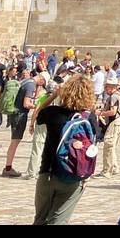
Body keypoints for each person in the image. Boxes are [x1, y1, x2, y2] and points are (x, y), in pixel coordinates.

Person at [32, 73, 96, 226]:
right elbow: (92, 148)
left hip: (48, 172)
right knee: (59, 221)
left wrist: (54, 95)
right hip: (73, 175)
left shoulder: (52, 113)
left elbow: (37, 113)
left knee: (40, 220)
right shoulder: (88, 117)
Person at [96, 75, 120, 177]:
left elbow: (113, 112)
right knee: (112, 146)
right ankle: (115, 167)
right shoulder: (118, 95)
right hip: (118, 123)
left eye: (106, 86)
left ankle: (107, 170)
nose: (105, 88)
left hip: (115, 123)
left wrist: (100, 114)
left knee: (108, 146)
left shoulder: (114, 96)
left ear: (112, 87)